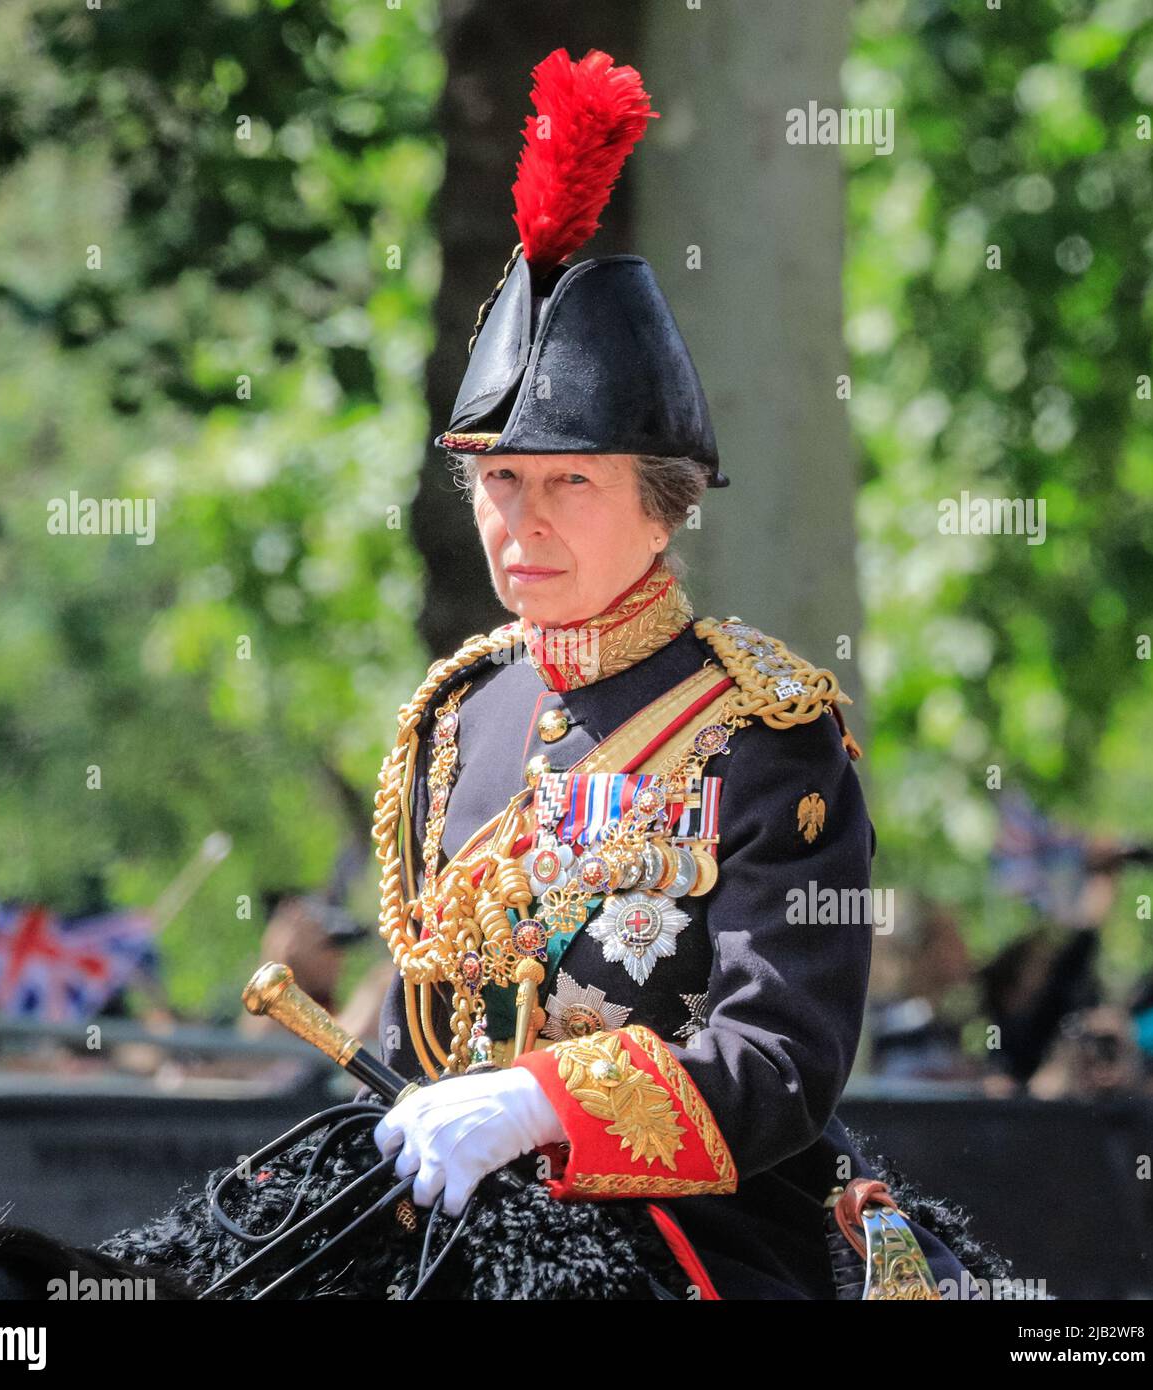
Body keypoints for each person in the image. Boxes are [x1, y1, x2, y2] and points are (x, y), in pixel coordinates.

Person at [365, 47, 981, 1300]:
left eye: (568, 482)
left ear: (662, 510)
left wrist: (542, 1106)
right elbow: (415, 1022)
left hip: (695, 1218)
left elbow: (779, 1061)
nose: (521, 522)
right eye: (499, 482)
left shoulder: (764, 732)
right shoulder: (456, 714)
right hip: (447, 1199)